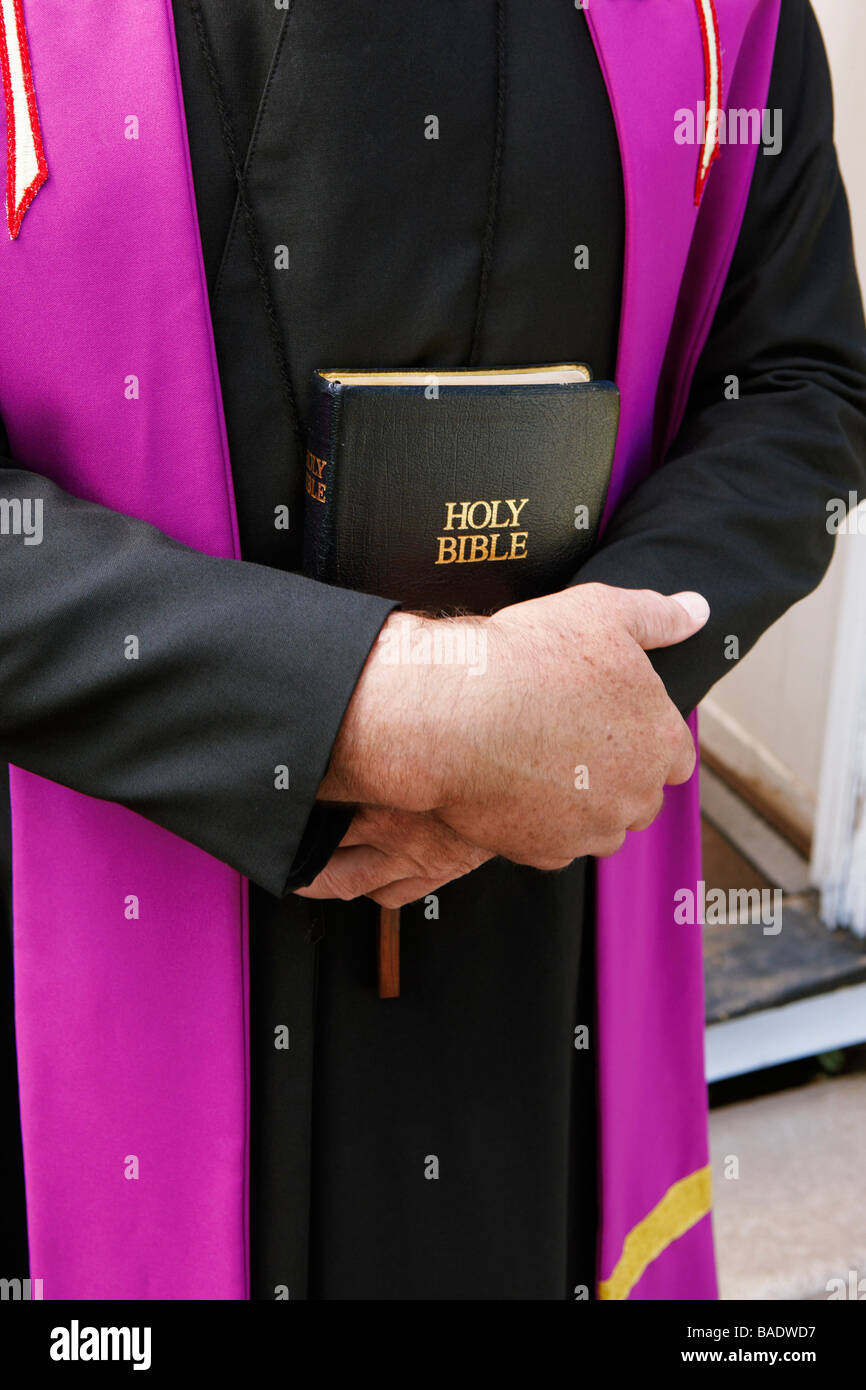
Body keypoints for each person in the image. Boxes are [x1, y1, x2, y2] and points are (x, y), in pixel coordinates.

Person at [2, 0, 865, 1300]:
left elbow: (798, 380)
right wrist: (369, 703)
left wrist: (589, 683)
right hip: (108, 907)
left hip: (536, 966)